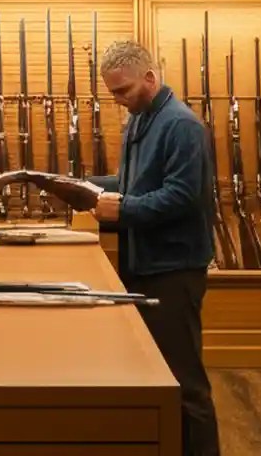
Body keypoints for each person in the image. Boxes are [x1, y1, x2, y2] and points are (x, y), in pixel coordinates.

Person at [93, 40, 220, 456]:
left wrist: (122, 208)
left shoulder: (180, 125)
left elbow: (183, 197)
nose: (118, 101)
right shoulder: (141, 118)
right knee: (153, 373)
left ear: (150, 77)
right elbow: (136, 187)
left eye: (123, 91)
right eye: (112, 93)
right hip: (145, 260)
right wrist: (88, 191)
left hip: (173, 267)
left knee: (184, 382)